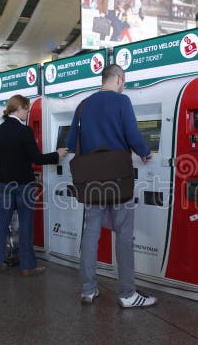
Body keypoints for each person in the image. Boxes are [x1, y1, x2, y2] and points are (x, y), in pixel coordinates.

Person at [66, 64, 156, 308]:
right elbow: (132, 134)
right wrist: (145, 152)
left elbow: (71, 141)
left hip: (92, 180)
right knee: (124, 234)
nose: (123, 86)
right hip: (118, 177)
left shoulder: (83, 105)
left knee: (91, 233)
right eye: (123, 82)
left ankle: (88, 289)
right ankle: (127, 294)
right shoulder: (121, 101)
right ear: (119, 79)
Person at [0, 95, 67, 275]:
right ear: (18, 109)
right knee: (25, 224)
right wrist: (56, 155)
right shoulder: (25, 131)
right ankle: (27, 266)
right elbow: (37, 158)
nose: (27, 112)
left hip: (3, 183)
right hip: (23, 184)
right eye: (26, 109)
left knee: (2, 222)